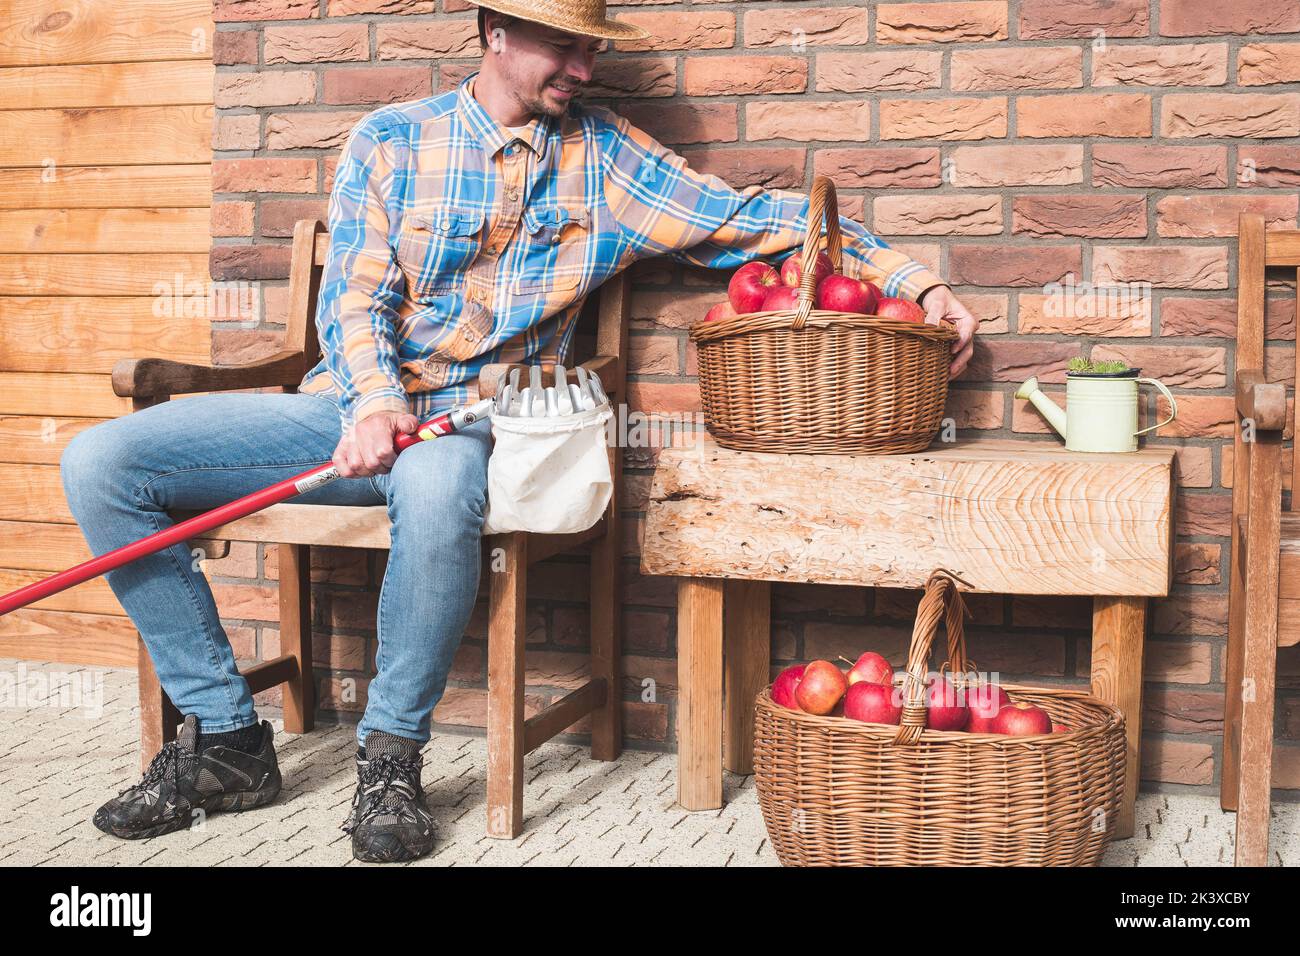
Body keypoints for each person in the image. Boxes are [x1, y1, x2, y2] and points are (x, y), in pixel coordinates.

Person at [59, 0, 977, 864]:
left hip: (472, 426)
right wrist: (375, 403)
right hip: (343, 412)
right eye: (563, 46)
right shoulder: (391, 140)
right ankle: (224, 736)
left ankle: (389, 760)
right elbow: (354, 298)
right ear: (494, 31)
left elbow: (755, 222)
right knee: (103, 462)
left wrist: (916, 282)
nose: (583, 67)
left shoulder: (606, 161)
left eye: (592, 48)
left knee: (436, 481)